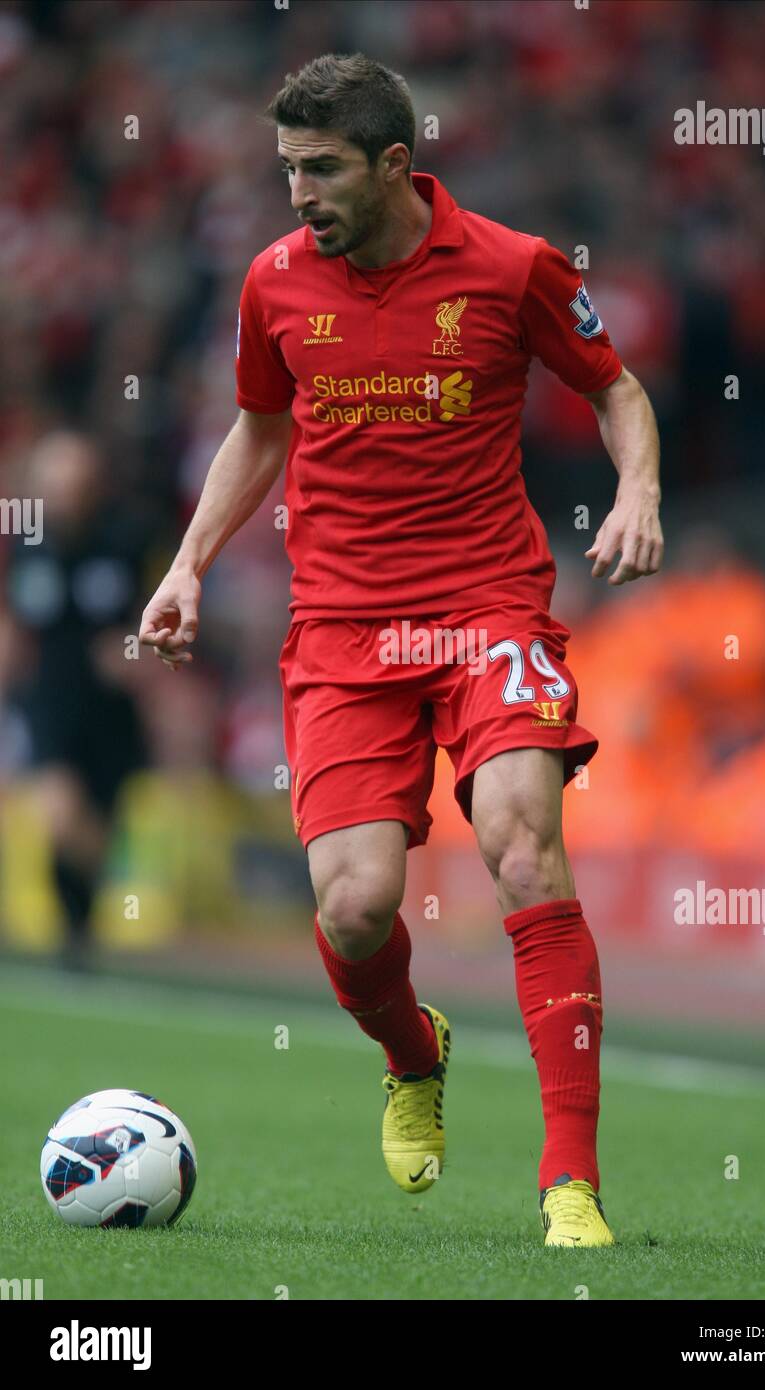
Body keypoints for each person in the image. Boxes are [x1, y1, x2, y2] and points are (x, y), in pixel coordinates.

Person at [138, 53, 663, 1248]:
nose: (295, 195)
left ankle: (567, 1180)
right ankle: (410, 1050)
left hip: (486, 608)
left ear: (392, 164)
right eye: (284, 170)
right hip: (341, 627)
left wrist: (635, 490)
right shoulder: (273, 284)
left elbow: (617, 388)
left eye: (318, 170)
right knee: (357, 909)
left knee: (524, 849)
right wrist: (187, 564)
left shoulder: (512, 265)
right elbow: (259, 429)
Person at [6, 431, 149, 970]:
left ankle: (78, 935)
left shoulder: (127, 540)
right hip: (49, 700)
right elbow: (18, 623)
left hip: (110, 711)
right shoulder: (29, 546)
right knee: (61, 815)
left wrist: (133, 649)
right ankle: (135, 886)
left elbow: (157, 616)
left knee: (100, 817)